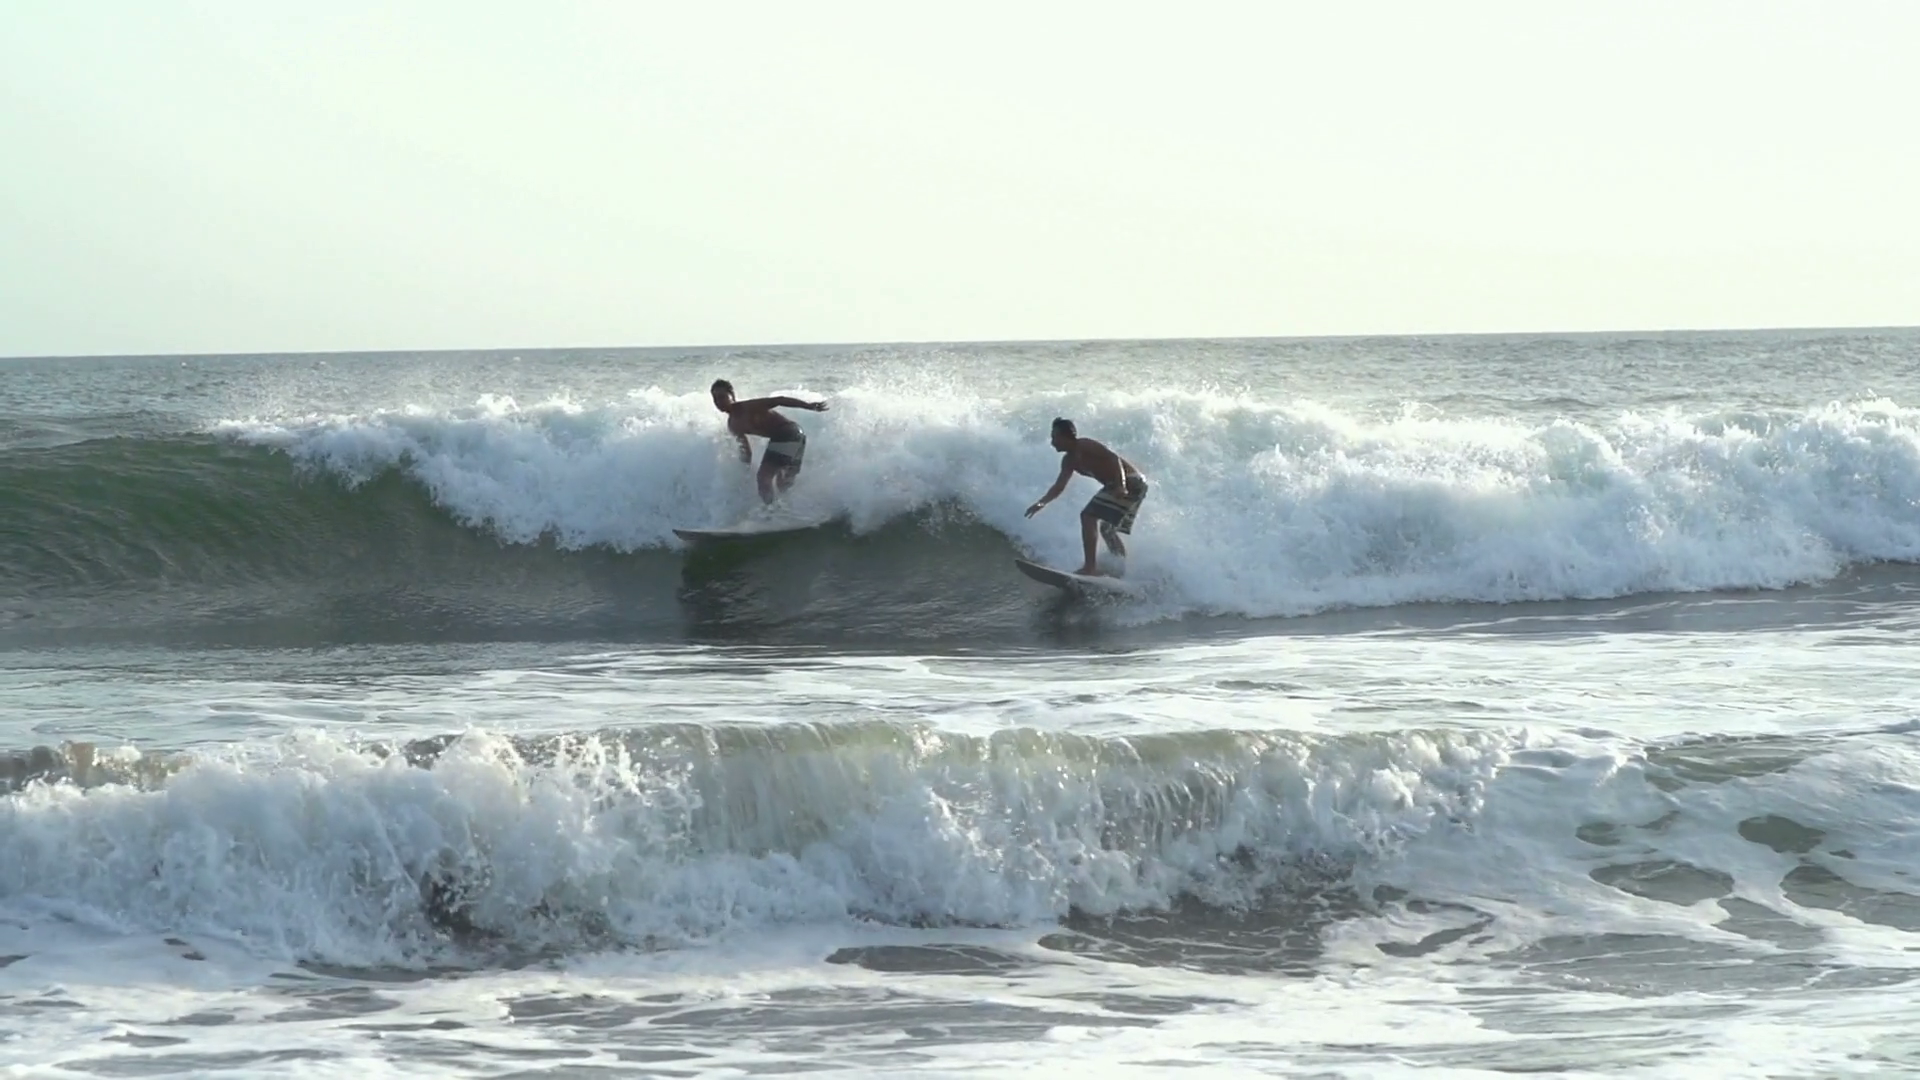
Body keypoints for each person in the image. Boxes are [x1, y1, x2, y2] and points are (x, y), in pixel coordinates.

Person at [1024, 417, 1149, 576]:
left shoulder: (1084, 445)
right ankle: (1120, 571)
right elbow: (1059, 486)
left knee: (1087, 516)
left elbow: (1113, 458)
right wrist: (1041, 503)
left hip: (1131, 482)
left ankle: (1090, 568)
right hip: (1119, 485)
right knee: (1107, 529)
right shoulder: (1069, 461)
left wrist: (1121, 484)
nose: (1052, 442)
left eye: (1055, 437)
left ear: (1066, 436)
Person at [710, 379, 829, 503]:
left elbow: (779, 400)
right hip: (794, 437)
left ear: (732, 395)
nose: (719, 402)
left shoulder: (747, 407)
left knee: (763, 478)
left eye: (722, 397)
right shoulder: (733, 424)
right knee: (783, 483)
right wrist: (744, 471)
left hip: (788, 432)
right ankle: (790, 512)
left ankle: (769, 511)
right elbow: (746, 452)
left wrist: (808, 406)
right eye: (715, 399)